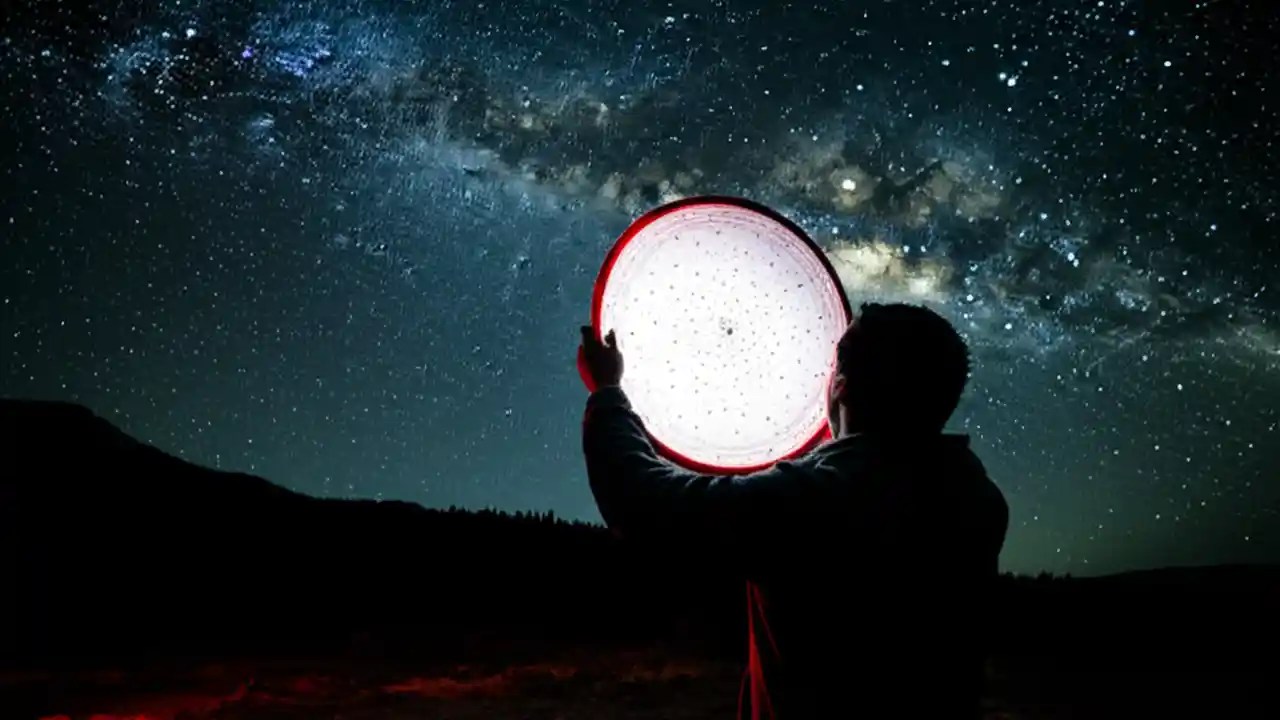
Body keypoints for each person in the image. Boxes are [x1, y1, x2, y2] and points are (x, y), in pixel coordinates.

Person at [578, 301, 1009, 720]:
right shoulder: (976, 498)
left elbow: (646, 502)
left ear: (840, 383)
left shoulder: (818, 498)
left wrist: (608, 393)